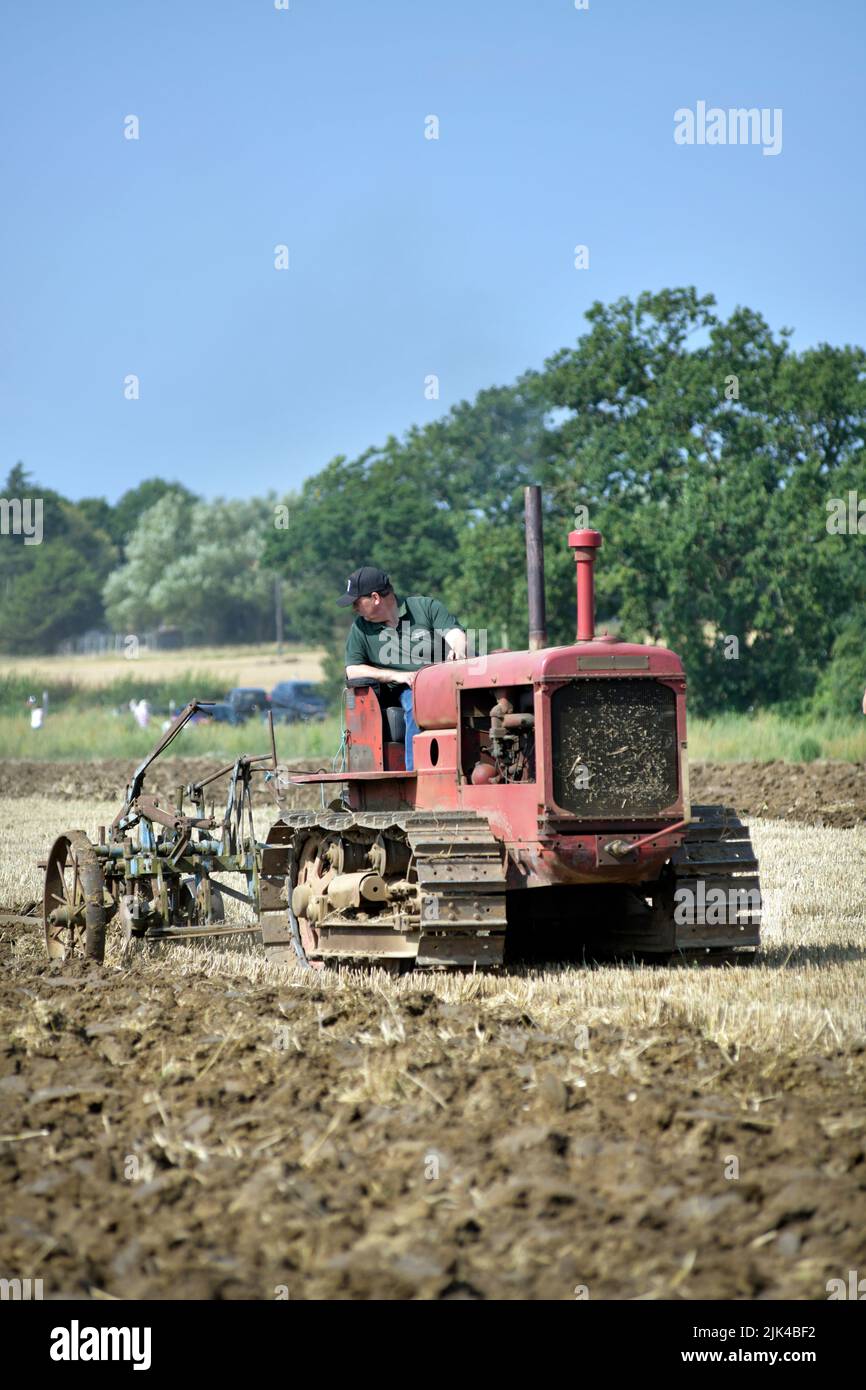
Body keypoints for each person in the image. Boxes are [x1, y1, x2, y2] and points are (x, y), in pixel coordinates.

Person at [340, 565, 466, 770]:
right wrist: (398, 676)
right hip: (409, 688)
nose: (354, 608)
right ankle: (415, 776)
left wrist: (458, 652)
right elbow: (352, 669)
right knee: (415, 702)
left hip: (448, 680)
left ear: (375, 598)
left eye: (356, 602)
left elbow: (456, 636)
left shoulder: (424, 607)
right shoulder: (360, 628)